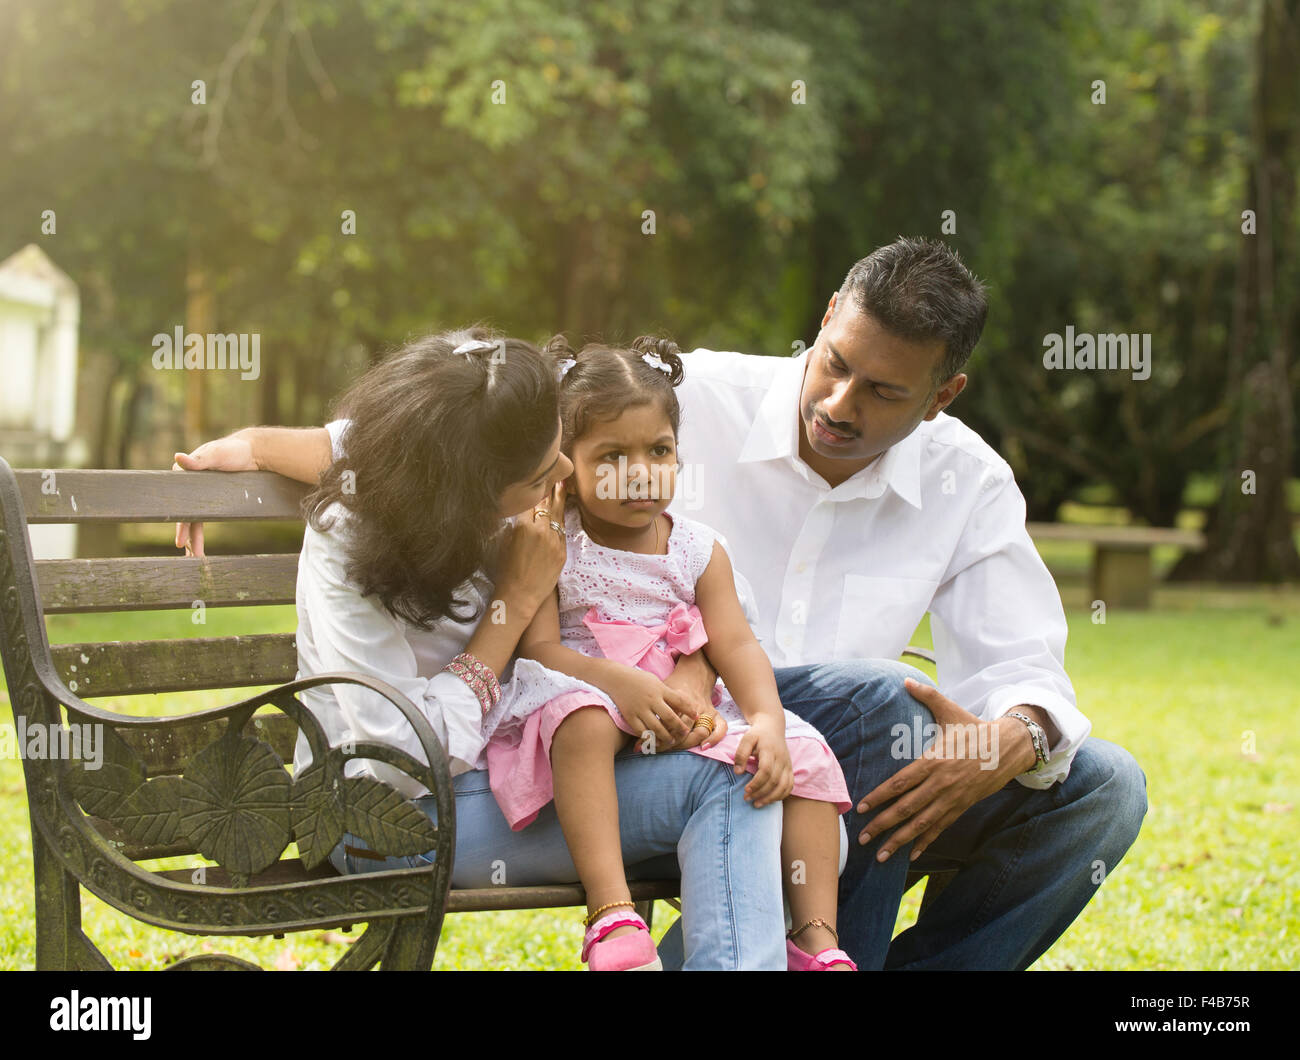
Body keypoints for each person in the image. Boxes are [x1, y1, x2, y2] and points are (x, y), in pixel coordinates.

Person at [175, 237, 1148, 971]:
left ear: (943, 395)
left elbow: (1024, 661)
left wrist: (1014, 731)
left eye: (883, 391)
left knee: (1100, 786)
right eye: (834, 362)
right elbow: (479, 414)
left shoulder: (966, 481)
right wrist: (279, 441)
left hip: (794, 741)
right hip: (656, 720)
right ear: (820, 322)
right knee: (876, 707)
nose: (841, 401)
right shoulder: (687, 396)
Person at [189, 326, 788, 970]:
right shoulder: (352, 545)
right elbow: (398, 760)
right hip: (393, 811)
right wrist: (511, 606)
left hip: (533, 760)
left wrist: (255, 442)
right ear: (467, 494)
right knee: (736, 789)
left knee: (819, 832)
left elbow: (382, 435)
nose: (566, 476)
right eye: (540, 475)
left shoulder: (480, 451)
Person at [481, 336, 853, 971]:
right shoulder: (553, 545)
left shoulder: (698, 548)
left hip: (691, 710)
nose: (640, 472)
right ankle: (611, 914)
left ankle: (816, 942)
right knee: (581, 719)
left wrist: (765, 720)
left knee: (805, 746)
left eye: (659, 450)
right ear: (567, 465)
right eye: (611, 455)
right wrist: (620, 685)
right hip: (595, 694)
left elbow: (735, 644)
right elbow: (540, 650)